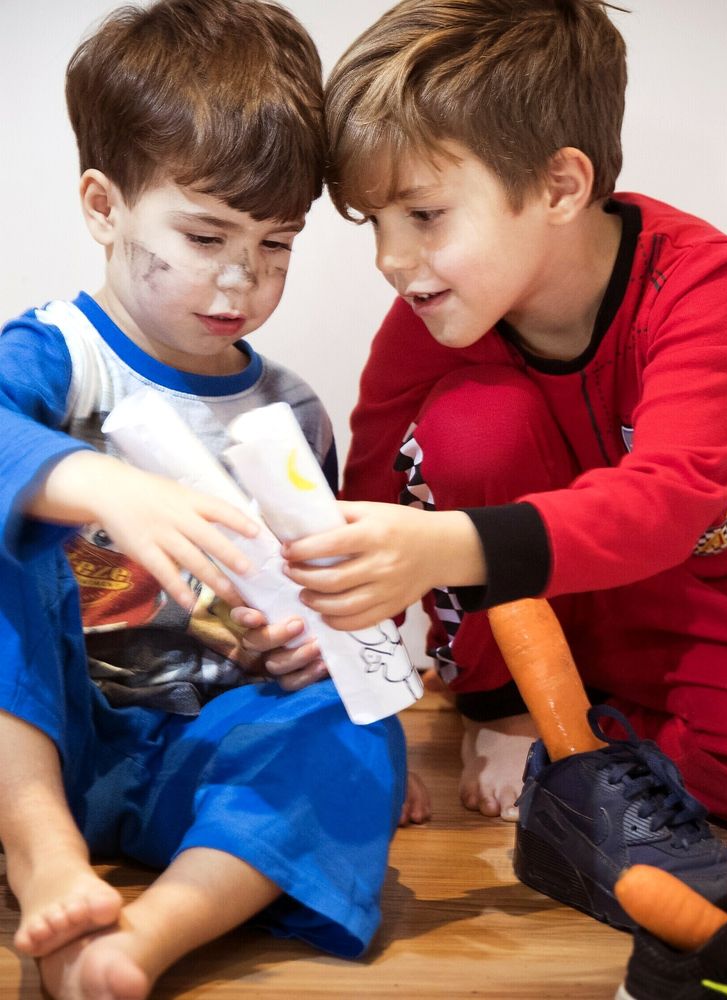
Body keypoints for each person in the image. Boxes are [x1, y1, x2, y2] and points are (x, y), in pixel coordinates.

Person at [283, 0, 727, 847]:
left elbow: (671, 499)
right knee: (477, 424)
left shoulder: (702, 286)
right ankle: (509, 709)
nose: (390, 260)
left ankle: (586, 734)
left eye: (424, 215)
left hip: (681, 600)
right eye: (375, 224)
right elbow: (371, 487)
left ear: (560, 186)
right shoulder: (428, 318)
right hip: (510, 624)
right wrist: (347, 684)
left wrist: (445, 547)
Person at [0, 2, 427, 998]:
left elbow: (308, 604)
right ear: (104, 207)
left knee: (353, 728)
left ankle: (143, 938)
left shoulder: (290, 414)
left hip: (190, 751)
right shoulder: (58, 356)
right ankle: (43, 855)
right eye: (204, 235)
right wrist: (96, 481)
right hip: (36, 739)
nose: (242, 280)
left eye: (277, 244)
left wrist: (296, 646)